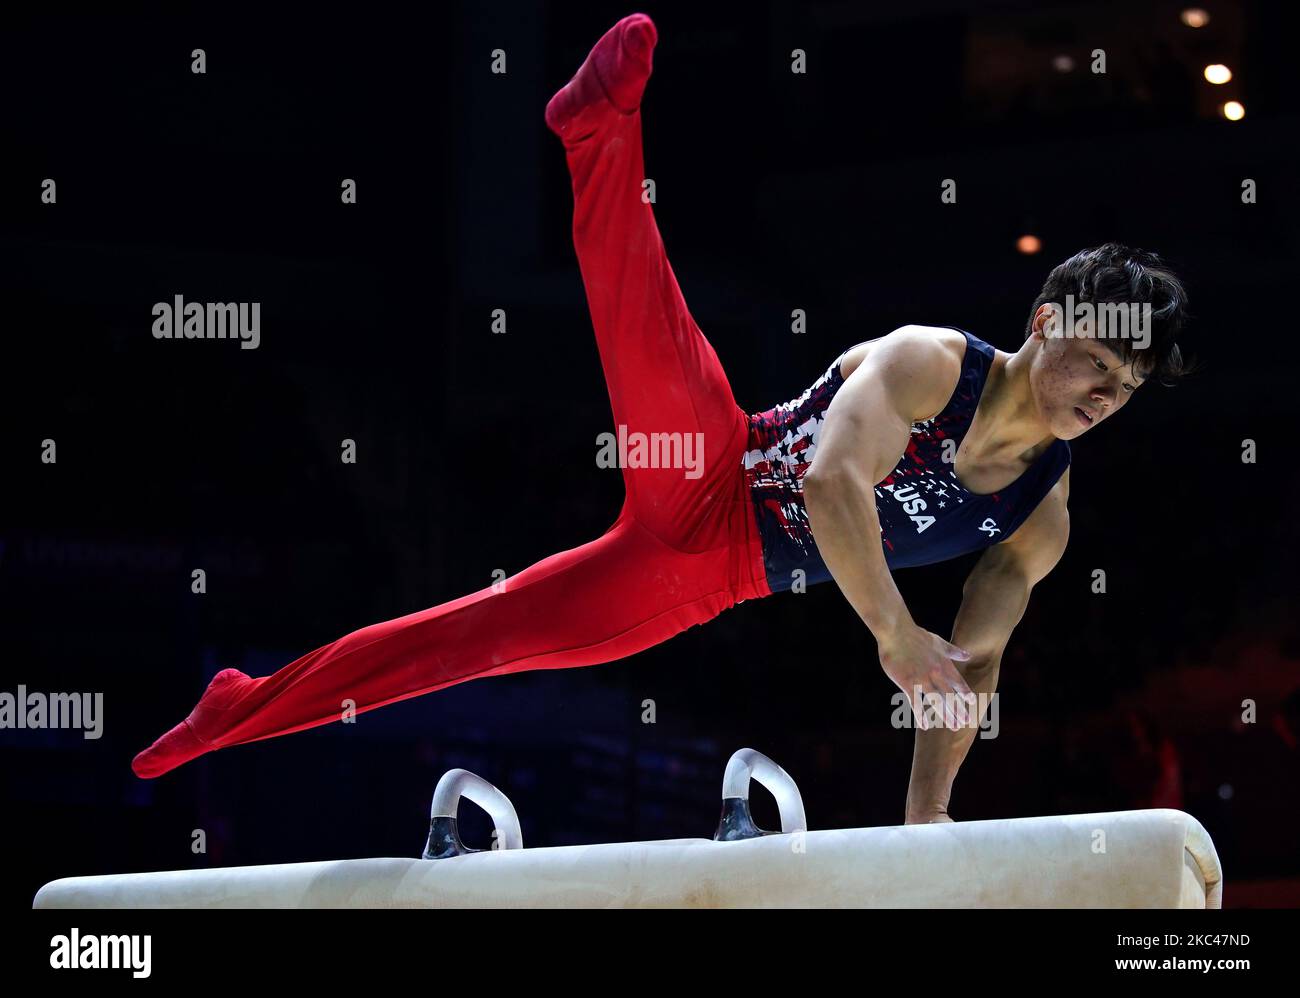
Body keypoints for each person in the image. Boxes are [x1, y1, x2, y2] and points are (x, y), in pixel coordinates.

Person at [132, 14, 1190, 824]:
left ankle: (243, 705)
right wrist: (893, 635)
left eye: (1124, 388)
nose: (1102, 397)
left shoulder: (1040, 519)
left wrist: (924, 819)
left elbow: (967, 674)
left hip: (700, 579)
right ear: (1044, 321)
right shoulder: (928, 362)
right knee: (652, 327)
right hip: (715, 466)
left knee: (471, 640)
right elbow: (828, 484)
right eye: (1095, 361)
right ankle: (598, 129)